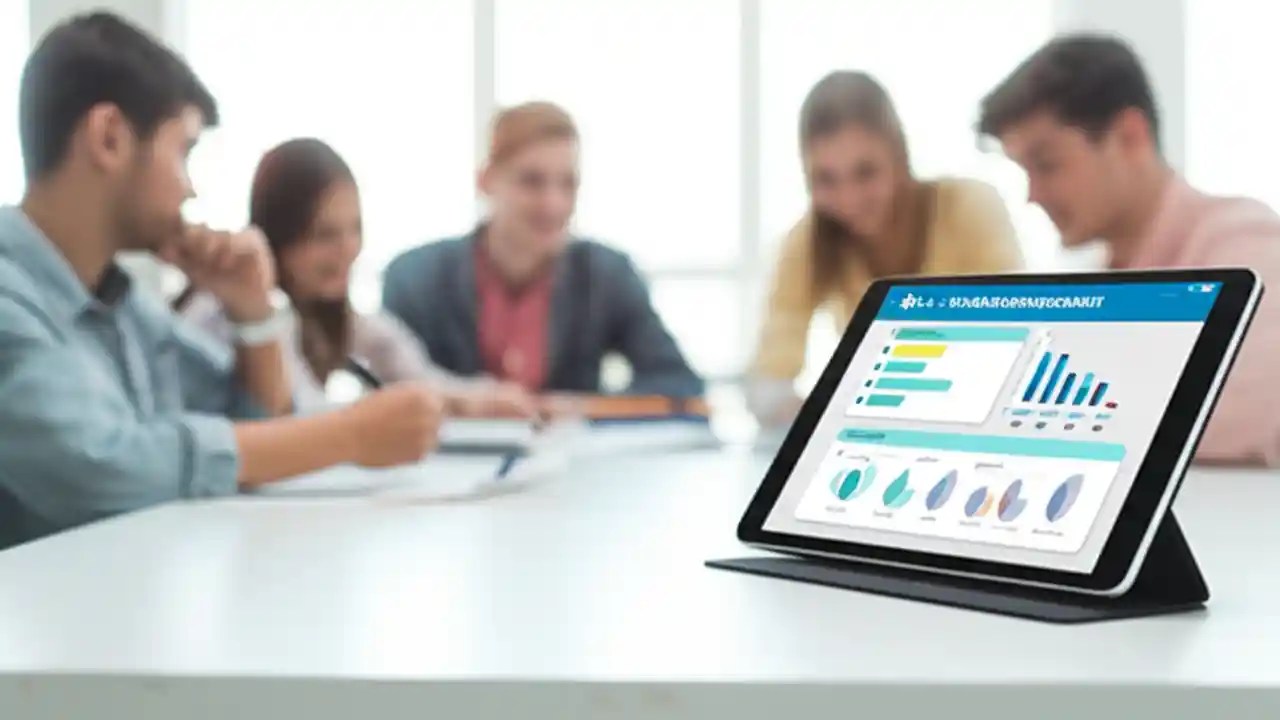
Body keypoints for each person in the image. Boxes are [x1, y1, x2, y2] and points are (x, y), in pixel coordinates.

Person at [0, 13, 444, 548]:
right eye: (183, 151)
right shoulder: (11, 298)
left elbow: (258, 425)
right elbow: (98, 464)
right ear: (110, 137)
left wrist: (253, 314)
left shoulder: (120, 303)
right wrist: (349, 435)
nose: (190, 189)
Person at [979, 35, 1280, 467]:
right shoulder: (1093, 283)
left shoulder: (1248, 245)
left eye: (1046, 164)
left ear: (1129, 136)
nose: (1032, 195)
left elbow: (1246, 408)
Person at [179, 138, 535, 417]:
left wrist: (483, 400)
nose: (348, 249)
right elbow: (303, 418)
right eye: (324, 235)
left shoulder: (327, 311)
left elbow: (409, 366)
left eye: (355, 229)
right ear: (279, 236)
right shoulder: (239, 308)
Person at [749, 71, 1024, 426]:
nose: (849, 200)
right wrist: (818, 419)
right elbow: (766, 382)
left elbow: (1016, 337)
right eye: (825, 179)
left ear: (898, 157)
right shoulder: (807, 240)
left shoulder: (970, 206)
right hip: (882, 432)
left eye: (865, 172)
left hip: (981, 423)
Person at [383, 101, 704, 404]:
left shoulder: (607, 275)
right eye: (532, 181)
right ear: (486, 180)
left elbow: (678, 383)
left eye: (568, 184)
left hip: (574, 458)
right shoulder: (415, 279)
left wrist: (578, 408)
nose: (554, 204)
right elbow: (387, 396)